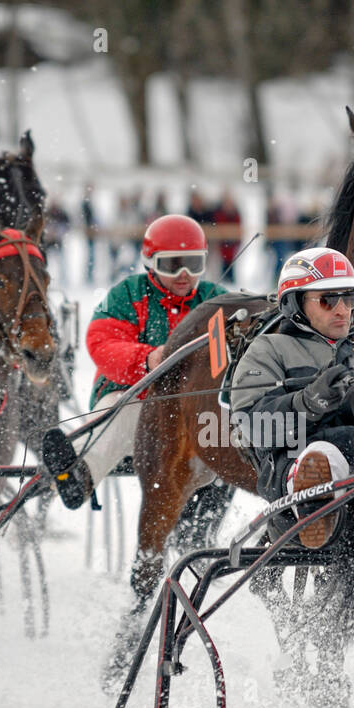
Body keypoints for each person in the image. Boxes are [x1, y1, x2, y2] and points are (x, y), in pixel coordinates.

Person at [229, 247, 354, 548]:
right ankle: (316, 508)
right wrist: (308, 402)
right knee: (324, 454)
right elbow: (254, 427)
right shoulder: (270, 350)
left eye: (349, 299)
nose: (342, 310)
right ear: (296, 303)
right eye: (328, 300)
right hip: (299, 475)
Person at [42, 214, 228, 508]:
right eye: (171, 264)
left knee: (224, 429)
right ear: (150, 262)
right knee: (116, 419)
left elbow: (234, 350)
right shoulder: (127, 295)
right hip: (134, 398)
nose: (183, 274)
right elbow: (102, 343)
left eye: (193, 264)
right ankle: (78, 473)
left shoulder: (214, 299)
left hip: (194, 410)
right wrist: (147, 359)